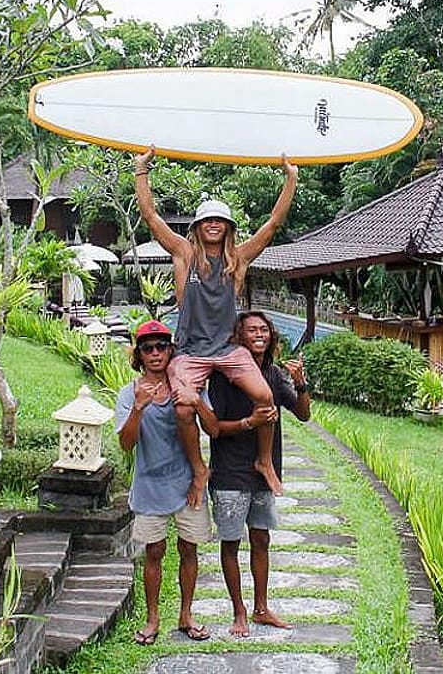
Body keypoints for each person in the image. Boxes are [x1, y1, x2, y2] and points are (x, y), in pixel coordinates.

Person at [134, 145, 298, 496]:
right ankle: (199, 469)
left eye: (219, 221)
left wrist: (291, 179)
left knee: (266, 398)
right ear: (197, 227)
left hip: (227, 349)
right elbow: (150, 217)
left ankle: (264, 461)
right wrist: (141, 171)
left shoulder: (237, 260)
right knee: (182, 408)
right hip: (190, 352)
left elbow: (272, 226)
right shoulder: (184, 253)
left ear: (228, 228)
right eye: (207, 220)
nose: (213, 224)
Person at [207, 311, 311, 637]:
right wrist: (248, 423)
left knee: (261, 539)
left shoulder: (275, 374)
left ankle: (261, 608)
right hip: (230, 471)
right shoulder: (224, 376)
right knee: (230, 543)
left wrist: (301, 382)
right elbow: (213, 428)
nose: (259, 334)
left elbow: (304, 414)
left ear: (272, 336)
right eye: (251, 329)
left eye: (264, 330)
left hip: (264, 475)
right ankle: (239, 612)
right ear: (239, 336)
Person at [115, 319, 219, 645]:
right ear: (139, 355)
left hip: (188, 482)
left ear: (171, 350)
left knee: (189, 549)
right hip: (149, 485)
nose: (156, 353)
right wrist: (139, 408)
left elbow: (213, 428)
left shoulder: (188, 383)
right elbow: (126, 444)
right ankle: (152, 618)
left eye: (162, 346)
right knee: (154, 552)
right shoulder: (128, 393)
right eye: (148, 348)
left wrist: (195, 398)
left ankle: (186, 614)